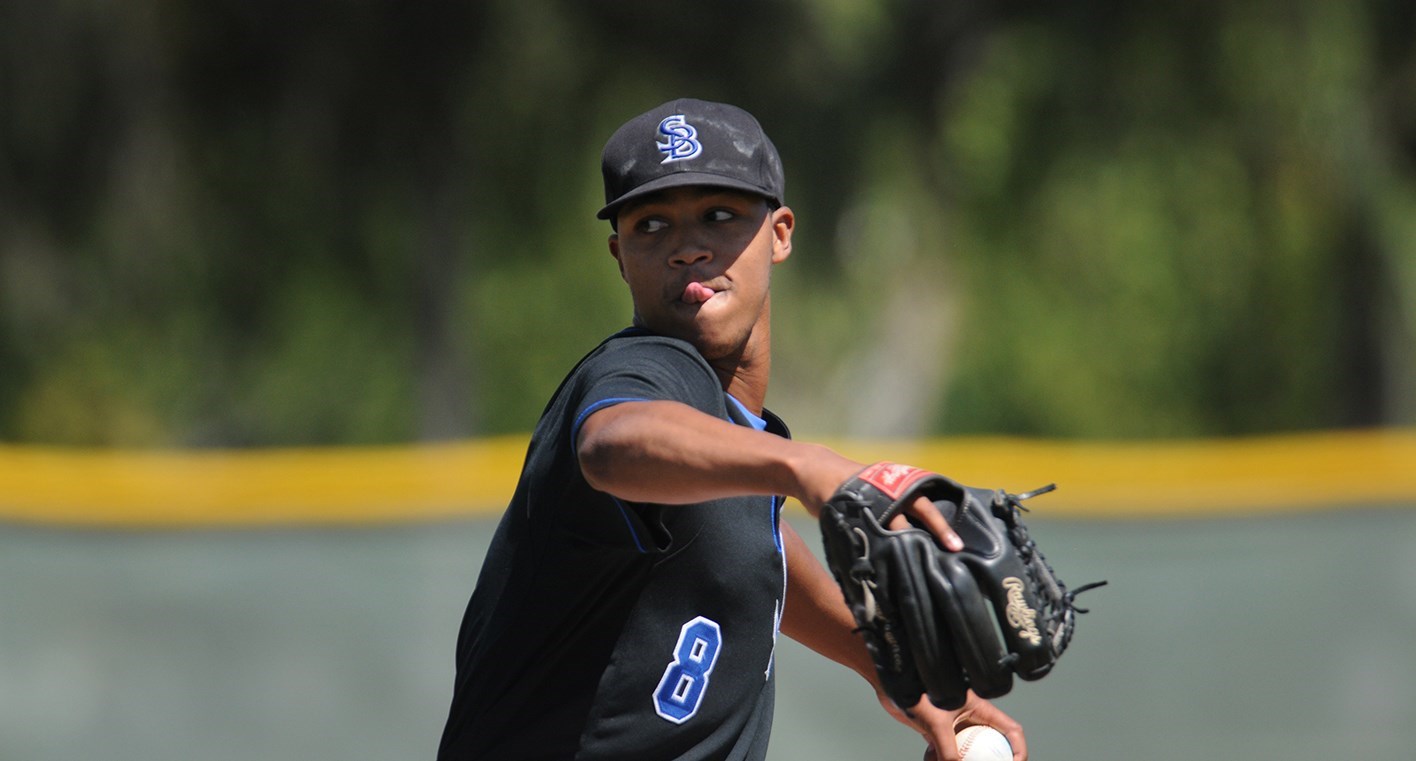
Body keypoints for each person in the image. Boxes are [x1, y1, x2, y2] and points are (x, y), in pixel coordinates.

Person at [436, 98, 1027, 761]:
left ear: (780, 233)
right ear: (619, 256)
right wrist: (805, 465)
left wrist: (888, 664)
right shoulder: (645, 371)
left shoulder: (723, 450)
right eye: (651, 225)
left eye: (719, 215)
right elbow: (610, 445)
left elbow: (744, 536)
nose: (686, 247)